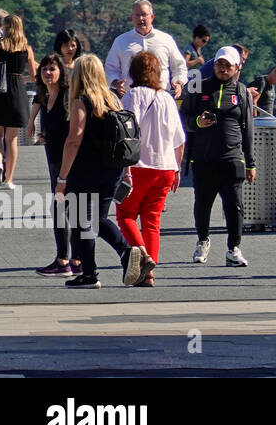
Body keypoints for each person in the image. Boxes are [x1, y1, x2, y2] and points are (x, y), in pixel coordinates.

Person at [53, 55, 155, 288]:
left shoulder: (81, 100)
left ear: (78, 75)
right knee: (98, 219)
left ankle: (90, 274)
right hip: (113, 170)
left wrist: (62, 178)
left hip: (86, 170)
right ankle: (129, 253)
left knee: (81, 222)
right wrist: (127, 172)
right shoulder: (113, 98)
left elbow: (73, 140)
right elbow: (125, 138)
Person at [118, 51, 186, 285]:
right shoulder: (166, 98)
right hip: (166, 167)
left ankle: (144, 256)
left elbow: (128, 131)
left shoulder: (132, 96)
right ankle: (149, 273)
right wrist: (177, 168)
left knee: (125, 215)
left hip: (139, 166)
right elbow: (180, 138)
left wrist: (124, 168)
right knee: (152, 220)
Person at [183, 47, 254, 268]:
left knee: (235, 206)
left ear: (236, 68)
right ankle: (203, 241)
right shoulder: (199, 87)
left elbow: (248, 130)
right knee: (202, 204)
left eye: (228, 66)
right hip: (203, 158)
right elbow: (183, 117)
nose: (223, 69)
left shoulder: (242, 92)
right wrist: (197, 122)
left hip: (232, 158)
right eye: (219, 64)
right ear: (214, 65)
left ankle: (234, 249)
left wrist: (250, 162)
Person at [30, 53, 78, 276]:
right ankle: (76, 260)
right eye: (44, 69)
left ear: (61, 72)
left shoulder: (67, 96)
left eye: (52, 69)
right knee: (67, 209)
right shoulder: (44, 95)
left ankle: (64, 260)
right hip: (54, 159)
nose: (48, 72)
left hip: (68, 162)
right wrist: (44, 135)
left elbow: (73, 129)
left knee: (62, 209)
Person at [104, 0, 187, 98]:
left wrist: (178, 83)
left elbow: (179, 66)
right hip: (130, 98)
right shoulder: (121, 41)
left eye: (144, 15)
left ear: (152, 17)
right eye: (137, 15)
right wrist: (116, 82)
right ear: (132, 18)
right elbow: (110, 68)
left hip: (161, 96)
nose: (141, 19)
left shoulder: (166, 39)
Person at [0, 13, 37, 189]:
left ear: (5, 27)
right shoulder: (26, 48)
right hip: (18, 90)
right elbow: (34, 76)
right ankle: (9, 180)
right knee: (12, 139)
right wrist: (22, 79)